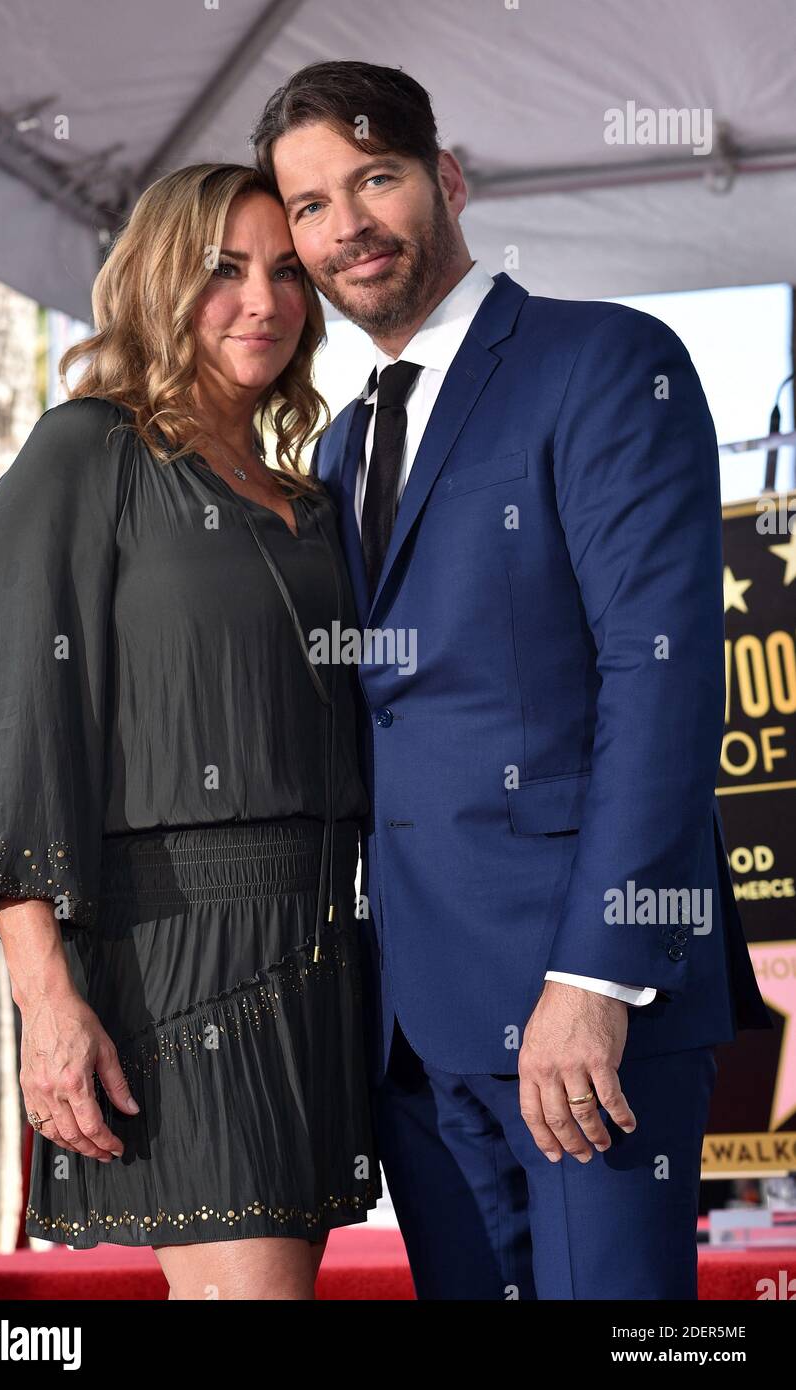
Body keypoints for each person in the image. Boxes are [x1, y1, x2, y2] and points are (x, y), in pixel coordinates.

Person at [251, 60, 772, 1300]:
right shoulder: (335, 441)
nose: (344, 227)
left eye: (372, 179)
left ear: (445, 176)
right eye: (310, 205)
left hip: (584, 1005)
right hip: (412, 1033)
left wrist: (594, 978)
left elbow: (658, 680)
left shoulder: (602, 361)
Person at [0, 162, 381, 1301]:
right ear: (155, 280)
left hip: (330, 956)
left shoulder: (318, 494)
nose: (263, 301)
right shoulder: (84, 454)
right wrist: (47, 1003)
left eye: (287, 272)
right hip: (183, 963)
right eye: (222, 270)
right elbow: (14, 745)